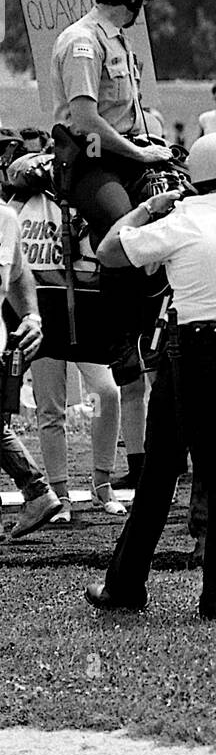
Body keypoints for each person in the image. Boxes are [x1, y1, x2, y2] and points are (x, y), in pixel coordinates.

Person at [85, 132, 216, 619]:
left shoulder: (183, 218)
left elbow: (110, 251)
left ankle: (126, 584)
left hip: (192, 357)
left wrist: (151, 208)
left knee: (159, 476)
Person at [50, 0, 171, 386]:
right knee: (127, 228)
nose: (145, 6)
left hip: (128, 153)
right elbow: (85, 121)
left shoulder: (119, 38)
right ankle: (119, 339)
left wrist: (156, 147)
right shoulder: (82, 42)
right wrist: (139, 155)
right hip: (92, 162)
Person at [0, 203, 61, 539]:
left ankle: (37, 492)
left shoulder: (5, 219)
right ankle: (37, 491)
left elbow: (19, 270)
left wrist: (31, 316)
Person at [31, 358, 125, 520]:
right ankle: (60, 492)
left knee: (105, 394)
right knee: (51, 409)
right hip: (46, 336)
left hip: (85, 334)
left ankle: (102, 482)